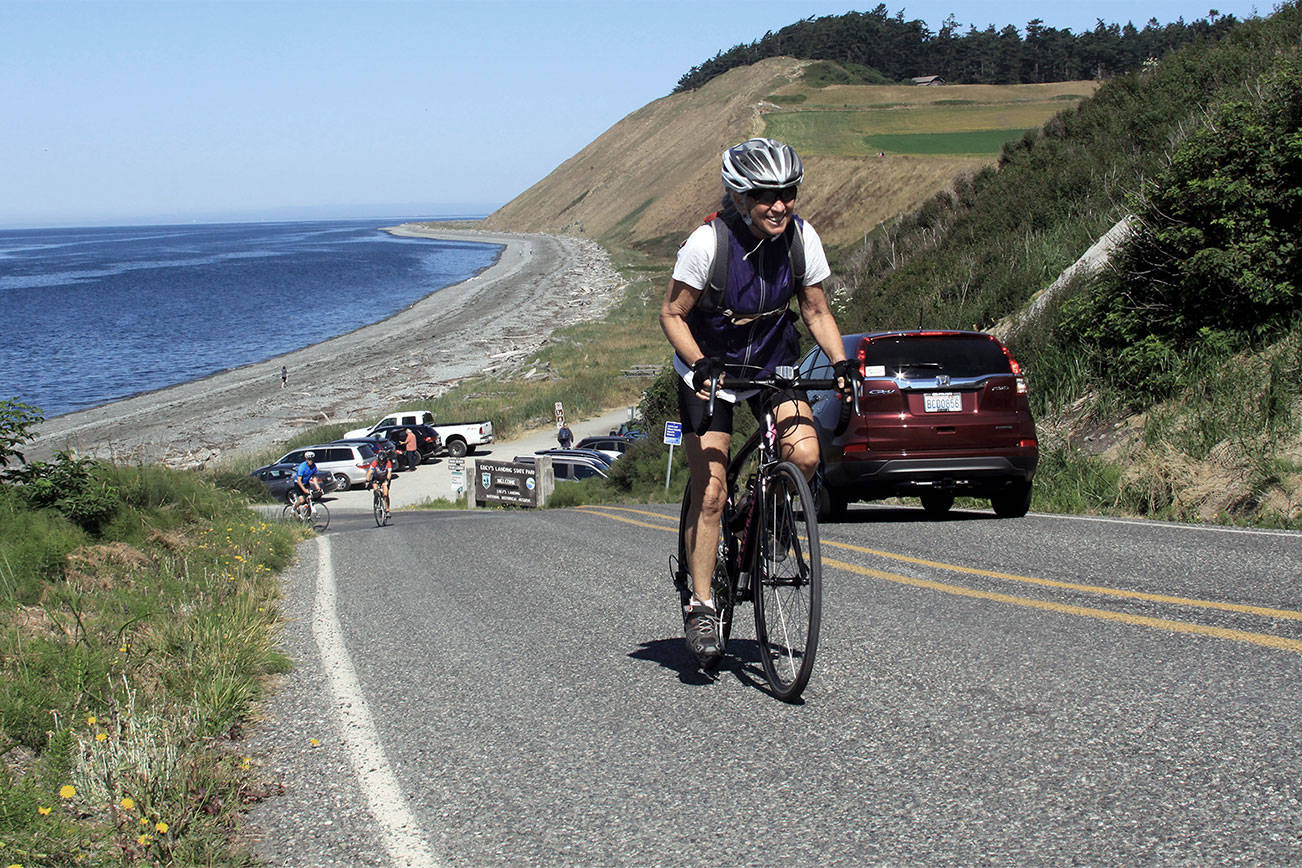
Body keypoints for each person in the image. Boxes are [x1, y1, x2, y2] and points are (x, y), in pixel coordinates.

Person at [659, 137, 861, 669]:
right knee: (711, 492)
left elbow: (815, 310)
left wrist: (841, 363)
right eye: (766, 195)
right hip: (711, 372)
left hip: (774, 365)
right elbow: (672, 314)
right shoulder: (708, 243)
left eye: (788, 193)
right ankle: (702, 606)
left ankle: (765, 514)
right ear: (740, 196)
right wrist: (700, 363)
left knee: (805, 453)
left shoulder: (801, 238)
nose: (779, 205)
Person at [291, 451, 322, 516]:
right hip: (298, 484)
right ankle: (294, 508)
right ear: (306, 460)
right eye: (309, 459)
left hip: (306, 483)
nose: (311, 461)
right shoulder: (302, 467)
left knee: (309, 499)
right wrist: (304, 490)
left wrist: (317, 487)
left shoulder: (314, 466)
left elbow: (314, 477)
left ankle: (307, 516)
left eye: (312, 459)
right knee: (301, 500)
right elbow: (299, 480)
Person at [366, 445, 396, 513]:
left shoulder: (388, 462)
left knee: (386, 494)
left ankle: (387, 509)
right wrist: (367, 481)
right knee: (375, 489)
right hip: (376, 478)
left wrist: (387, 480)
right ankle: (376, 500)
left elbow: (389, 473)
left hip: (385, 478)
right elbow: (369, 472)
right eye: (380, 462)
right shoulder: (374, 462)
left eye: (383, 462)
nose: (381, 463)